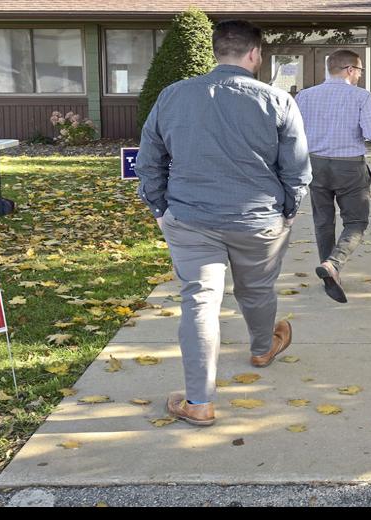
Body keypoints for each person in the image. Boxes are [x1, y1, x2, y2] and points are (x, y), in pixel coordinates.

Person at [136, 19, 311, 427]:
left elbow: (149, 162)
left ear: (217, 52)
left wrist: (160, 209)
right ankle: (262, 347)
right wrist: (288, 210)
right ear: (254, 54)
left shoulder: (172, 95)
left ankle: (199, 402)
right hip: (258, 219)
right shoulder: (278, 100)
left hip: (191, 217)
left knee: (199, 302)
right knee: (258, 288)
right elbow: (298, 170)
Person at [294, 49, 371, 304]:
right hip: (349, 167)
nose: (359, 76)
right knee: (356, 222)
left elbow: (295, 131)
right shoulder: (362, 97)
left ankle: (329, 276)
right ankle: (333, 263)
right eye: (359, 71)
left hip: (315, 164)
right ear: (350, 70)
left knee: (323, 221)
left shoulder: (305, 96)